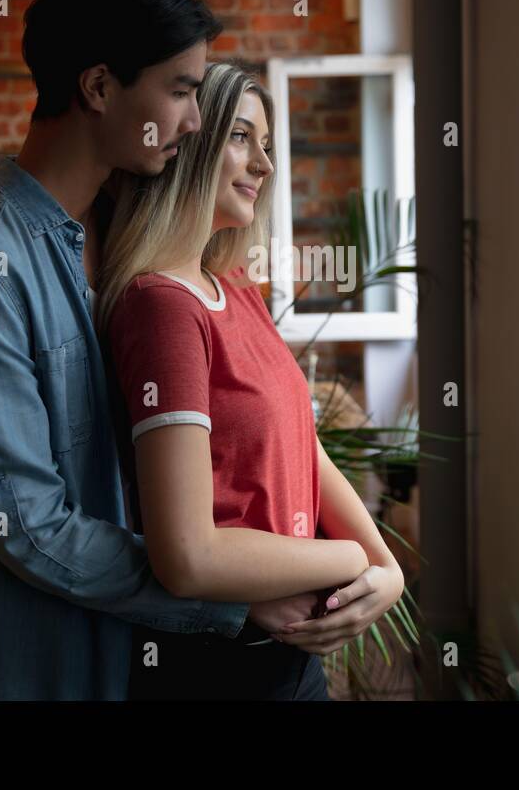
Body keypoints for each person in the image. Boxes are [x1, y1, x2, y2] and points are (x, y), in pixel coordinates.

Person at [0, 0, 322, 699]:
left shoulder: (136, 247)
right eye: (180, 91)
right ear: (99, 86)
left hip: (144, 663)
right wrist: (230, 593)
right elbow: (29, 527)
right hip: (36, 670)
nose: (195, 120)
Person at [99, 62, 406, 700]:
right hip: (220, 669)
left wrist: (387, 567)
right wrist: (350, 561)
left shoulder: (233, 286)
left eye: (265, 144)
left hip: (289, 659)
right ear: (187, 141)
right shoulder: (162, 307)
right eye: (241, 137)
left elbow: (303, 442)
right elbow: (188, 556)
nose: (264, 166)